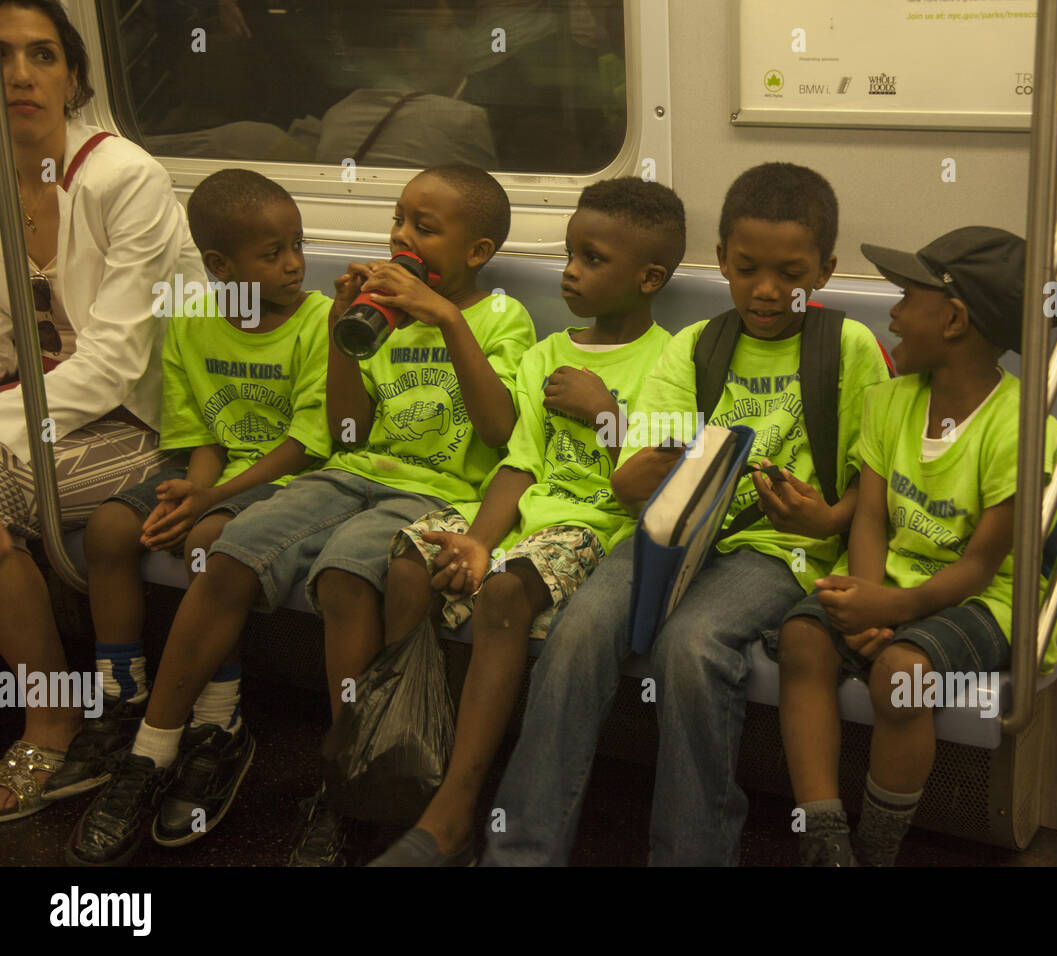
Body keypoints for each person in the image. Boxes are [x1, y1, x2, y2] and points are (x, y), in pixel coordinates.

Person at [65, 164, 536, 866]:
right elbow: (347, 432)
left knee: (346, 576)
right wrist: (351, 333)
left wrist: (444, 319)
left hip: (438, 492)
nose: (401, 236)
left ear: (478, 252)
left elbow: (500, 433)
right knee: (229, 554)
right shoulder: (379, 318)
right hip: (352, 473)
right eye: (399, 220)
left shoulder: (501, 316)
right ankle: (151, 751)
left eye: (424, 227)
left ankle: (345, 786)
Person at [481, 163, 892, 866]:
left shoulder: (848, 350)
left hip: (778, 549)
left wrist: (822, 521)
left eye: (789, 272)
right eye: (746, 267)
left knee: (692, 646)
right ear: (723, 261)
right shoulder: (694, 348)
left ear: (823, 272)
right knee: (577, 634)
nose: (766, 290)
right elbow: (636, 485)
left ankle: (692, 852)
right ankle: (520, 850)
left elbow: (873, 488)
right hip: (677, 536)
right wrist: (648, 467)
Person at [371, 177, 686, 866]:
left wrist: (606, 412)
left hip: (598, 529)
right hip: (526, 523)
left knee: (506, 590)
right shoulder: (548, 352)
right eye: (570, 253)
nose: (570, 271)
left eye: (593, 260)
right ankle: (406, 760)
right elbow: (518, 465)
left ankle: (456, 805)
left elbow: (664, 476)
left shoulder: (673, 359)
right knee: (407, 556)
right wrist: (478, 540)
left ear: (648, 277)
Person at [777, 227, 1057, 866]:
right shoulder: (887, 402)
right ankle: (824, 837)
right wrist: (864, 598)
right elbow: (871, 522)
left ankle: (878, 846)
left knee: (903, 675)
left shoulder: (1022, 429)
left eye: (909, 299)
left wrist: (892, 611)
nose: (894, 314)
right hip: (891, 582)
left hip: (984, 597)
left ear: (955, 319)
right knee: (802, 640)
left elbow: (981, 564)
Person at [41, 169, 333, 803]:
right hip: (218, 473)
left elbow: (307, 443)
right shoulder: (194, 319)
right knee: (113, 528)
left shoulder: (321, 323)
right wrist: (192, 490)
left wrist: (211, 501)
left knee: (205, 538)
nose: (293, 265)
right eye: (272, 254)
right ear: (219, 265)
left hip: (288, 476)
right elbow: (205, 432)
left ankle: (216, 719)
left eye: (298, 245)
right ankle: (123, 695)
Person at [0, 0, 205, 822]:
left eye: (43, 56)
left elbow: (116, 361)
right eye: (3, 56)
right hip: (40, 406)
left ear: (76, 78)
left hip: (149, 424)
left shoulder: (126, 178)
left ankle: (51, 716)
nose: (20, 74)